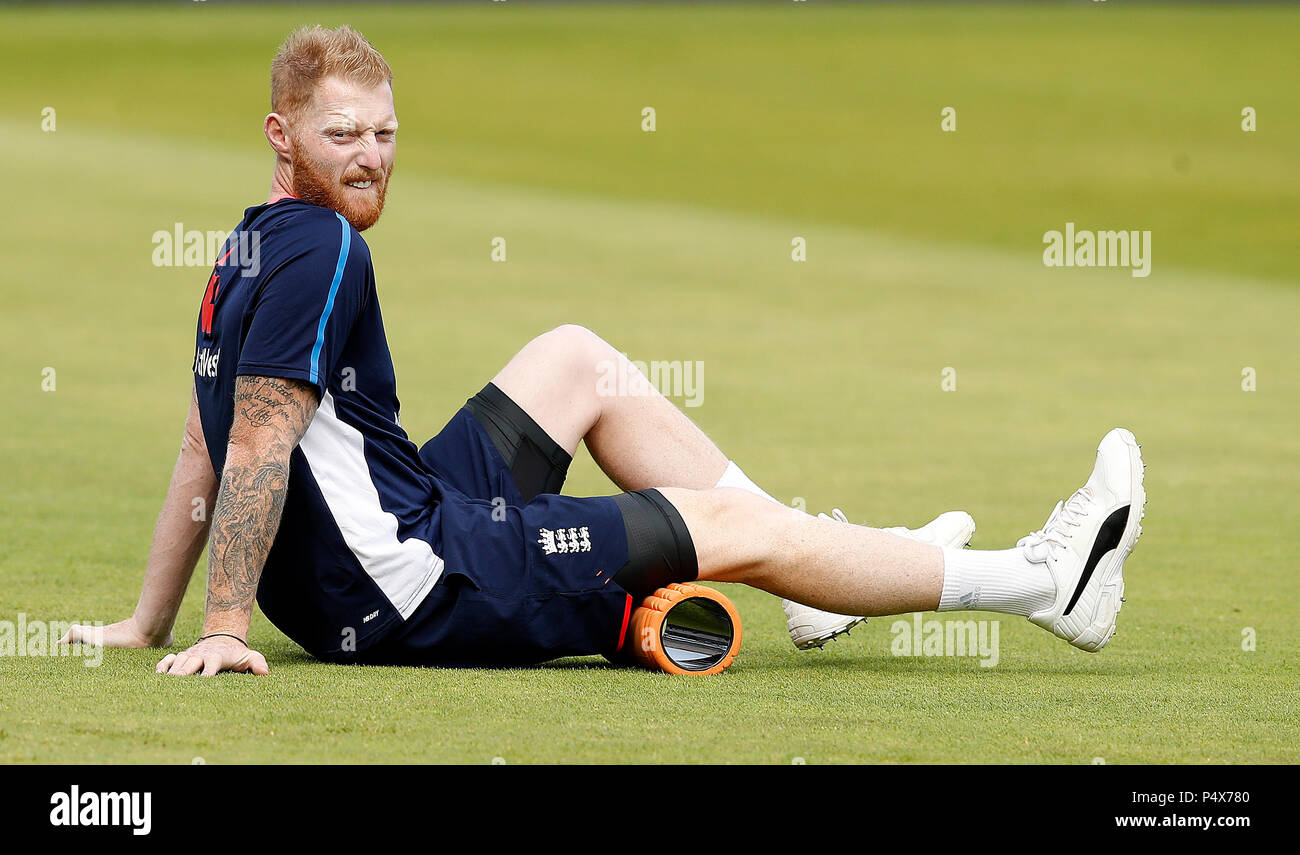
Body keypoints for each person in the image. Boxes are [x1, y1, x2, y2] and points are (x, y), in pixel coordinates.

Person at [61, 25, 1146, 676]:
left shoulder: (246, 246)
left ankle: (819, 584)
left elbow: (198, 447)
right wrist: (220, 626)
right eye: (341, 134)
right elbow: (248, 441)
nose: (371, 157)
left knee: (575, 357)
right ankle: (1044, 582)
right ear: (280, 135)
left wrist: (144, 622)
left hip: (398, 517)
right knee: (726, 529)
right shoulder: (322, 249)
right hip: (412, 580)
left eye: (385, 132)